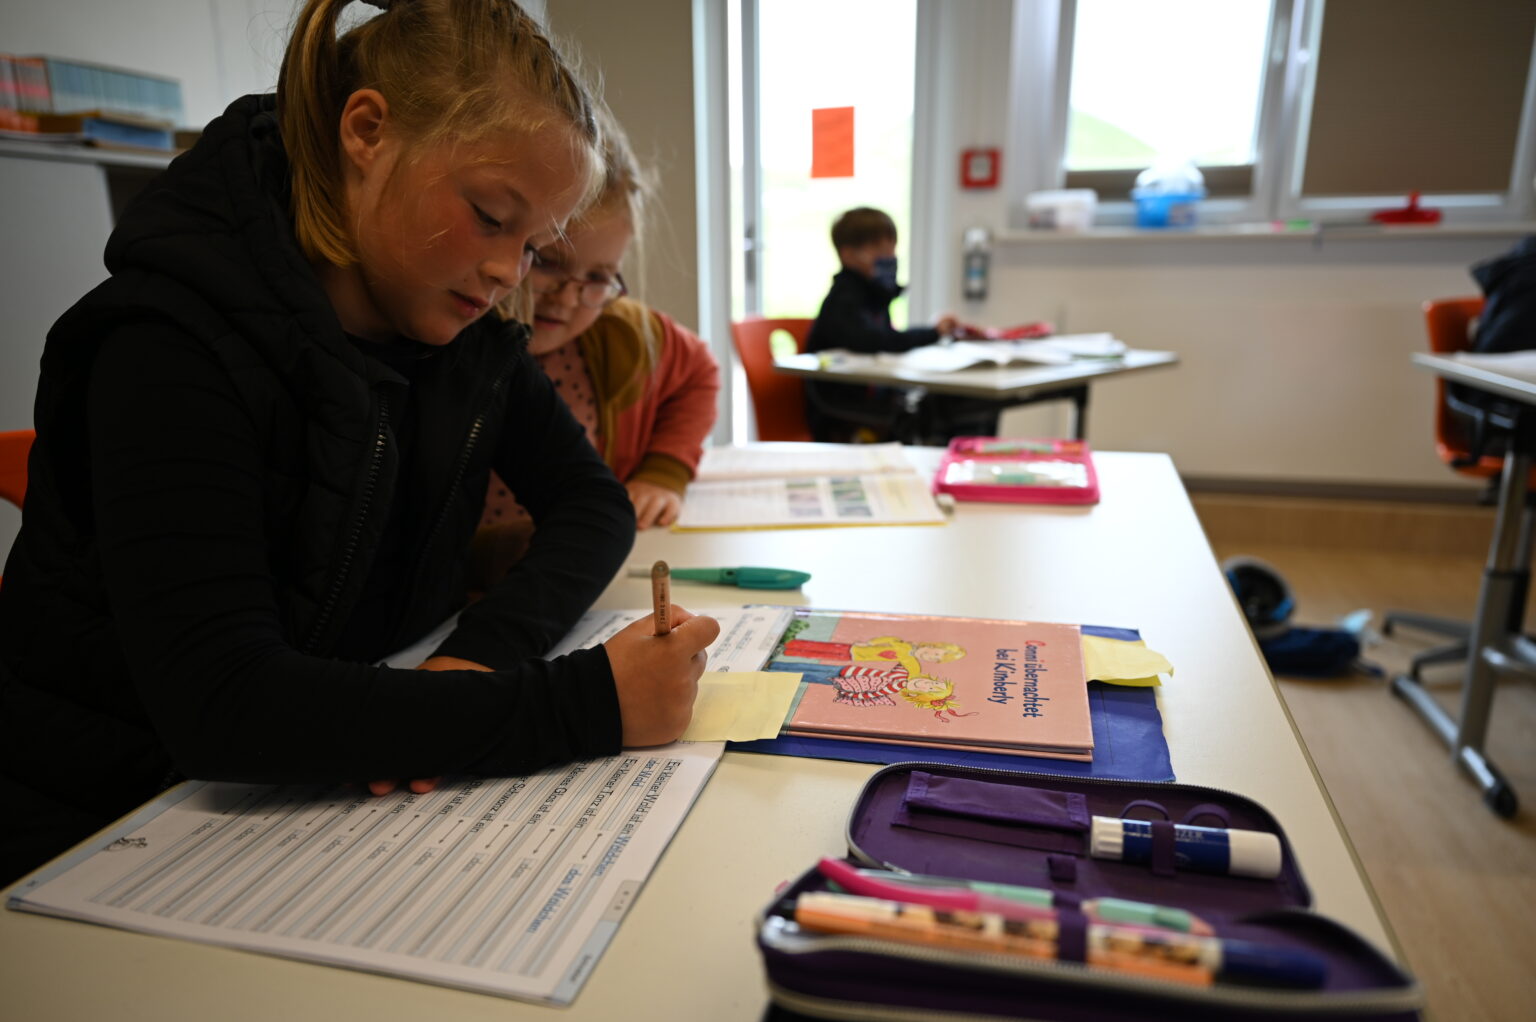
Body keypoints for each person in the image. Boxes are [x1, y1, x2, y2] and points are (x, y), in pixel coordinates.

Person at [0, 0, 718, 886]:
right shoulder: (167, 346)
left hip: (305, 808)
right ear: (367, 132)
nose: (509, 274)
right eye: (491, 215)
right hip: (105, 832)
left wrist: (478, 659)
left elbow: (593, 505)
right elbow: (226, 704)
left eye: (534, 246)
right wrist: (588, 704)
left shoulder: (462, 329)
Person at [475, 111, 719, 579]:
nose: (569, 298)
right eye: (547, 261)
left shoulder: (622, 331)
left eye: (599, 277)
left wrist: (663, 472)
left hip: (585, 585)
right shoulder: (450, 340)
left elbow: (698, 373)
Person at [803, 207, 997, 443]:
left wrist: (939, 333)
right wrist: (933, 333)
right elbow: (879, 342)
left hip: (874, 399)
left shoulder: (874, 295)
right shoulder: (843, 300)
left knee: (955, 401)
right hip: (843, 409)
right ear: (848, 255)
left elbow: (886, 341)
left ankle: (965, 458)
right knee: (932, 411)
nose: (888, 256)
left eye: (891, 247)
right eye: (877, 248)